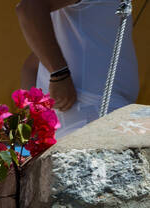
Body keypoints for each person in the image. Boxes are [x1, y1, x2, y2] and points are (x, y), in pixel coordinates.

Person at [17, 0, 138, 137]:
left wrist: (34, 123)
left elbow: (31, 66)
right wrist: (59, 74)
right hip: (89, 117)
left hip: (100, 115)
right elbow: (31, 7)